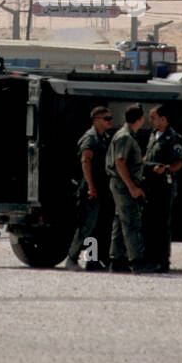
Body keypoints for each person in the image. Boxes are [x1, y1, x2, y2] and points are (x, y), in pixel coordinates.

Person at [105, 105, 159, 273]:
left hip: (120, 183)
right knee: (131, 222)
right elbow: (120, 162)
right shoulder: (125, 137)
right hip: (123, 185)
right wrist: (132, 187)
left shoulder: (126, 135)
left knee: (120, 221)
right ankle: (137, 262)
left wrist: (149, 166)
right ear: (140, 119)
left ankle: (117, 260)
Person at [64, 106, 114, 270]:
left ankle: (92, 260)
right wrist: (91, 187)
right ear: (96, 120)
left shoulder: (104, 137)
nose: (110, 121)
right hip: (90, 186)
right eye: (106, 118)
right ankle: (72, 258)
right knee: (87, 225)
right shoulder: (90, 138)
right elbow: (86, 161)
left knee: (99, 225)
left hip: (101, 186)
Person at [142, 105, 182, 271]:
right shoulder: (154, 135)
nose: (150, 120)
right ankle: (150, 258)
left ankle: (162, 261)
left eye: (153, 117)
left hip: (163, 187)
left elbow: (178, 162)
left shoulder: (173, 138)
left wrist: (166, 168)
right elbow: (149, 154)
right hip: (150, 185)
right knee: (149, 224)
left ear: (163, 119)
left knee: (161, 225)